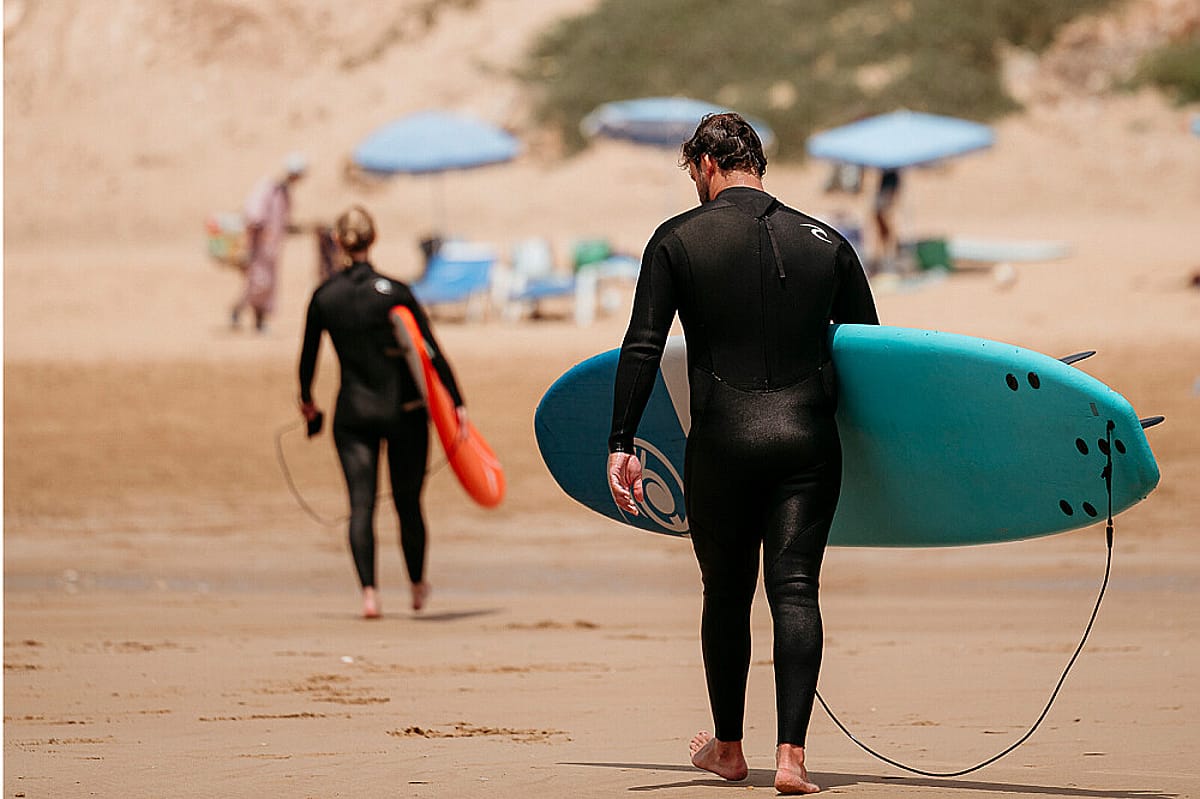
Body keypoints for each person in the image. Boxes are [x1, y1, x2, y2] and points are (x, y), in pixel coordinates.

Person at [606, 113, 879, 795]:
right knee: (795, 590)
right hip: (808, 442)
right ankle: (792, 757)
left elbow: (643, 344)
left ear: (704, 165)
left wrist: (622, 441)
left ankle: (729, 748)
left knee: (726, 593)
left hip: (723, 440)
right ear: (757, 162)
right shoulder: (827, 241)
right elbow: (871, 351)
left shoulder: (676, 239)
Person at [297, 206, 468, 619]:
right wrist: (456, 403)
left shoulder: (324, 297)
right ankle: (415, 586)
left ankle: (370, 596)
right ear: (372, 240)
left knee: (361, 505)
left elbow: (307, 362)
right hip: (404, 411)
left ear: (338, 241)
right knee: (408, 503)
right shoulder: (395, 291)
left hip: (353, 413)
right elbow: (429, 350)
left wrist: (308, 405)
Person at [232, 153, 307, 332]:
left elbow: (282, 221)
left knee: (265, 285)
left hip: (271, 249)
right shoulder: (269, 188)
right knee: (257, 282)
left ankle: (257, 320)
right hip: (259, 247)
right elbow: (254, 214)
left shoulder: (284, 193)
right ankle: (239, 312)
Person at [871, 167, 901, 274]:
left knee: (886, 227)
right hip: (885, 194)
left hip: (886, 196)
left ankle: (890, 257)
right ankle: (886, 258)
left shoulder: (891, 173)